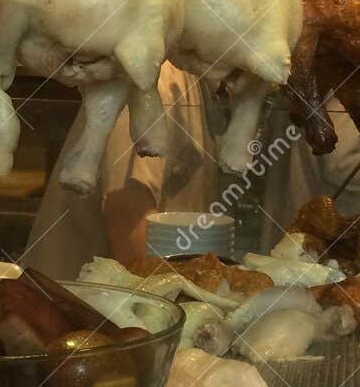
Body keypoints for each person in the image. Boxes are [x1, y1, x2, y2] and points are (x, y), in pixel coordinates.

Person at [23, 64, 218, 279]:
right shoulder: (152, 77)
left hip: (126, 292)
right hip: (83, 295)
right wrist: (164, 295)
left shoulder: (191, 76)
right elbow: (127, 211)